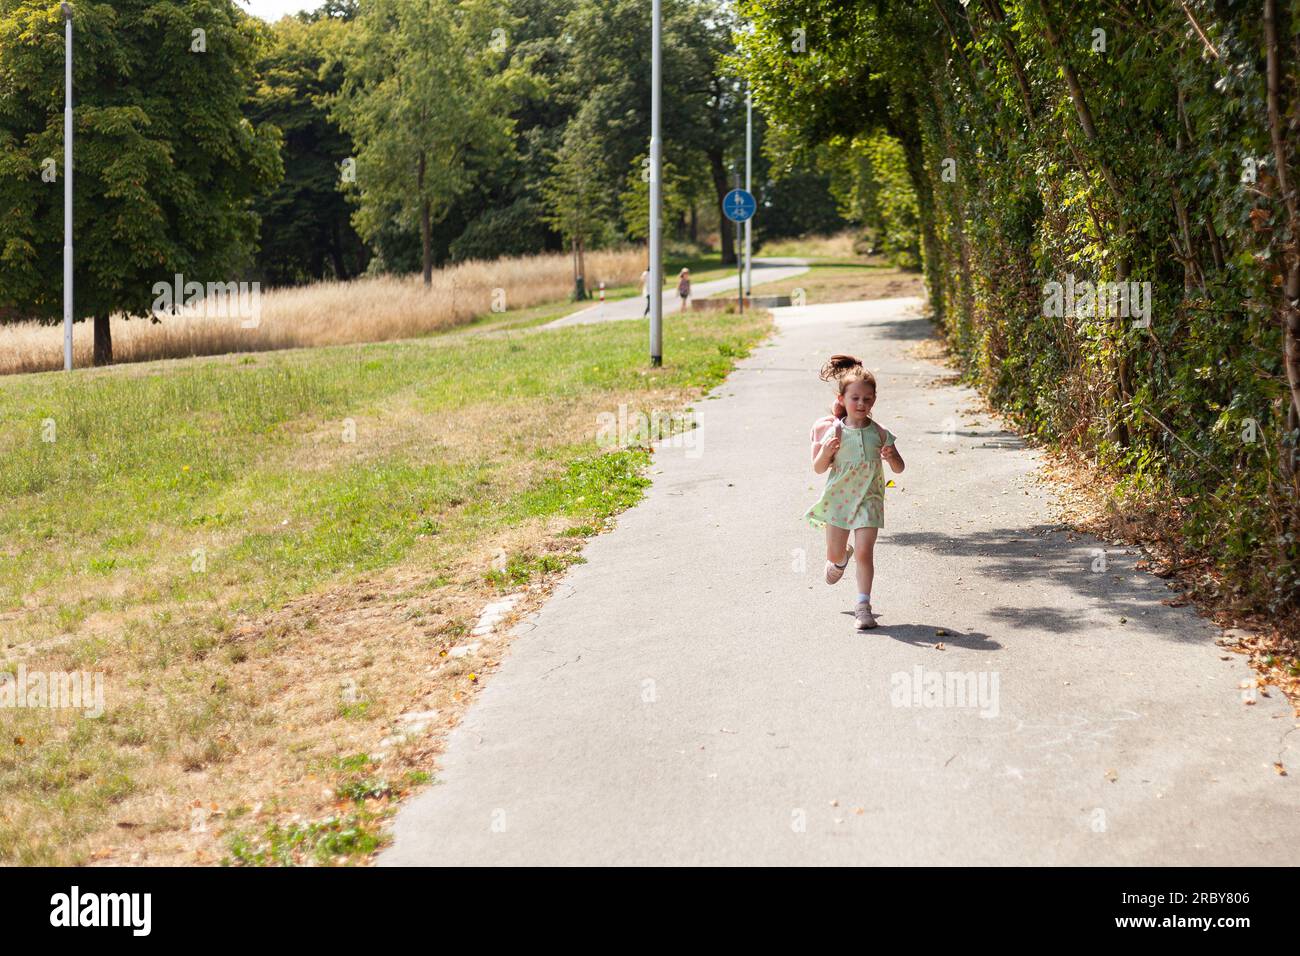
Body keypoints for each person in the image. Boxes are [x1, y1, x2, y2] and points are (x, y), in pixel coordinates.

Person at [804, 354, 905, 630]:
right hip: (839, 501)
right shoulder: (833, 431)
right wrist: (826, 451)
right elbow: (818, 468)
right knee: (835, 556)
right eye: (855, 399)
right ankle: (840, 558)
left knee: (865, 552)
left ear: (874, 400)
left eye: (868, 399)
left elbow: (899, 469)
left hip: (869, 500)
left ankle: (863, 607)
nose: (862, 404)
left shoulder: (881, 433)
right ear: (842, 400)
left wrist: (892, 455)